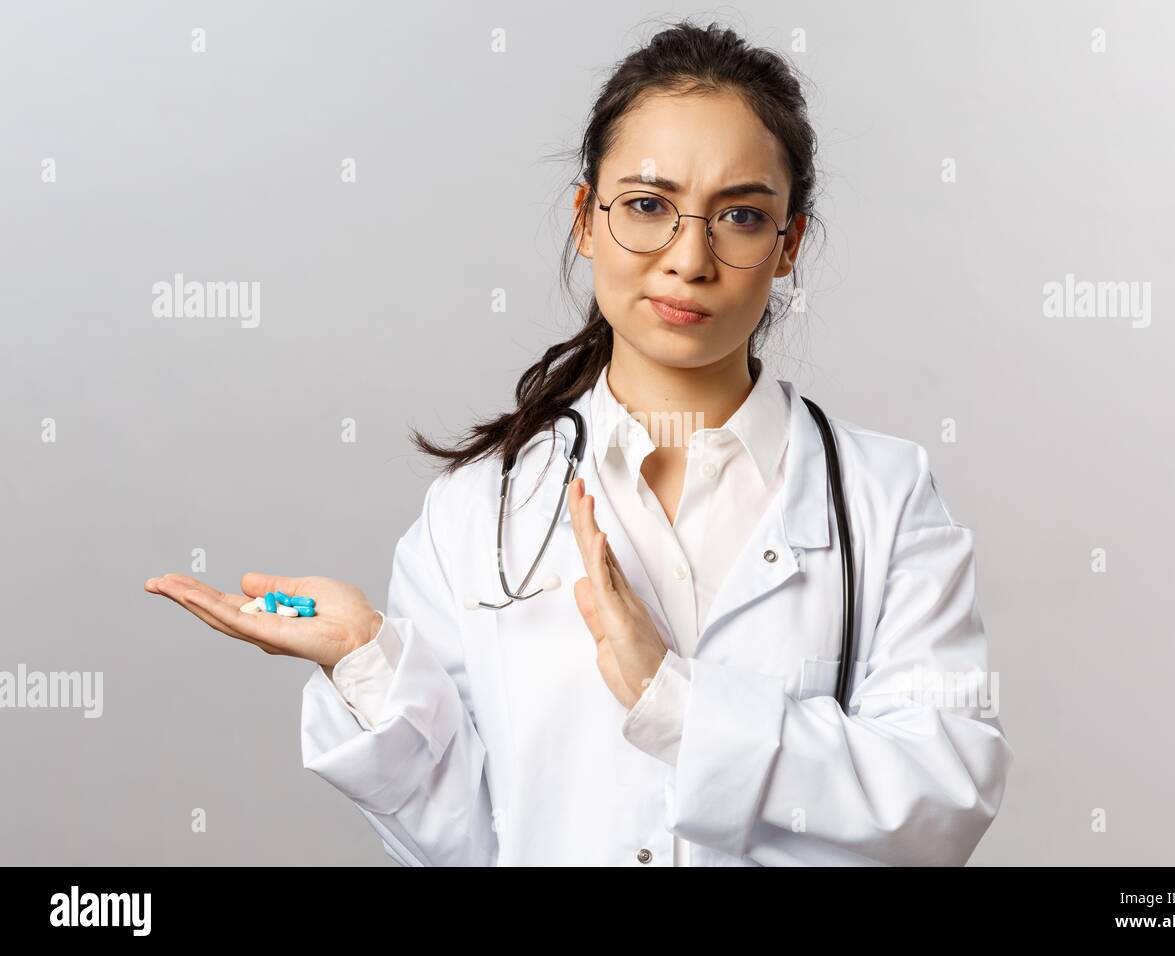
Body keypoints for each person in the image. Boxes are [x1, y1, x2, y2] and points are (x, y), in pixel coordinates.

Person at [144, 19, 1012, 866]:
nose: (688, 258)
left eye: (740, 217)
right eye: (647, 205)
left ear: (788, 244)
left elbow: (942, 807)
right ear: (585, 220)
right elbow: (469, 842)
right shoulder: (479, 510)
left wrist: (671, 698)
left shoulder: (883, 497)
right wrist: (365, 662)